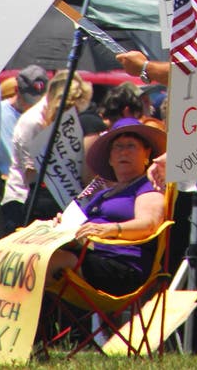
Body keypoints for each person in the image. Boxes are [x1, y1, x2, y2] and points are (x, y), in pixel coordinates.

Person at [46, 118, 167, 295]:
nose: (124, 152)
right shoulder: (101, 195)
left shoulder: (147, 187)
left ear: (147, 154)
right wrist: (63, 225)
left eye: (131, 145)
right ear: (110, 159)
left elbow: (149, 224)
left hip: (122, 266)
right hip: (88, 255)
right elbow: (79, 229)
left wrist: (110, 229)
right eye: (118, 147)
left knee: (47, 263)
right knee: (30, 258)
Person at [2, 69, 95, 233]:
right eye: (68, 108)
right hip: (22, 200)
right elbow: (30, 174)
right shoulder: (33, 122)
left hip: (55, 200)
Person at [0, 65, 49, 233]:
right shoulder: (2, 112)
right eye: (29, 98)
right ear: (16, 90)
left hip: (35, 195)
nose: (32, 104)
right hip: (12, 191)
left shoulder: (43, 117)